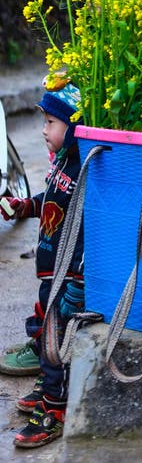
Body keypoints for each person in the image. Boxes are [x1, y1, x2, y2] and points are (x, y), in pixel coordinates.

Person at [0, 80, 84, 449]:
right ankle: (46, 390)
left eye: (50, 122)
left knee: (57, 344)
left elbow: (85, 225)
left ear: (73, 126)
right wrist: (26, 206)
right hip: (51, 271)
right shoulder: (64, 162)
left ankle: (54, 411)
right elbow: (50, 199)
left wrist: (79, 282)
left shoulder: (85, 166)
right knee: (44, 332)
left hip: (70, 274)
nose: (43, 130)